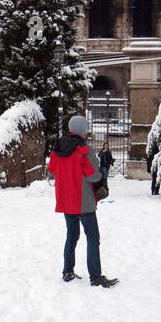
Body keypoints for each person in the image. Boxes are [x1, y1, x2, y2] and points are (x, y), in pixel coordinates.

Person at [47, 115, 118, 288]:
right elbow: (94, 174)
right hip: (83, 201)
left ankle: (67, 272)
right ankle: (95, 277)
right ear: (82, 129)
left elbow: (51, 172)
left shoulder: (57, 148)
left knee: (71, 236)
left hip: (65, 200)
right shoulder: (83, 149)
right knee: (93, 238)